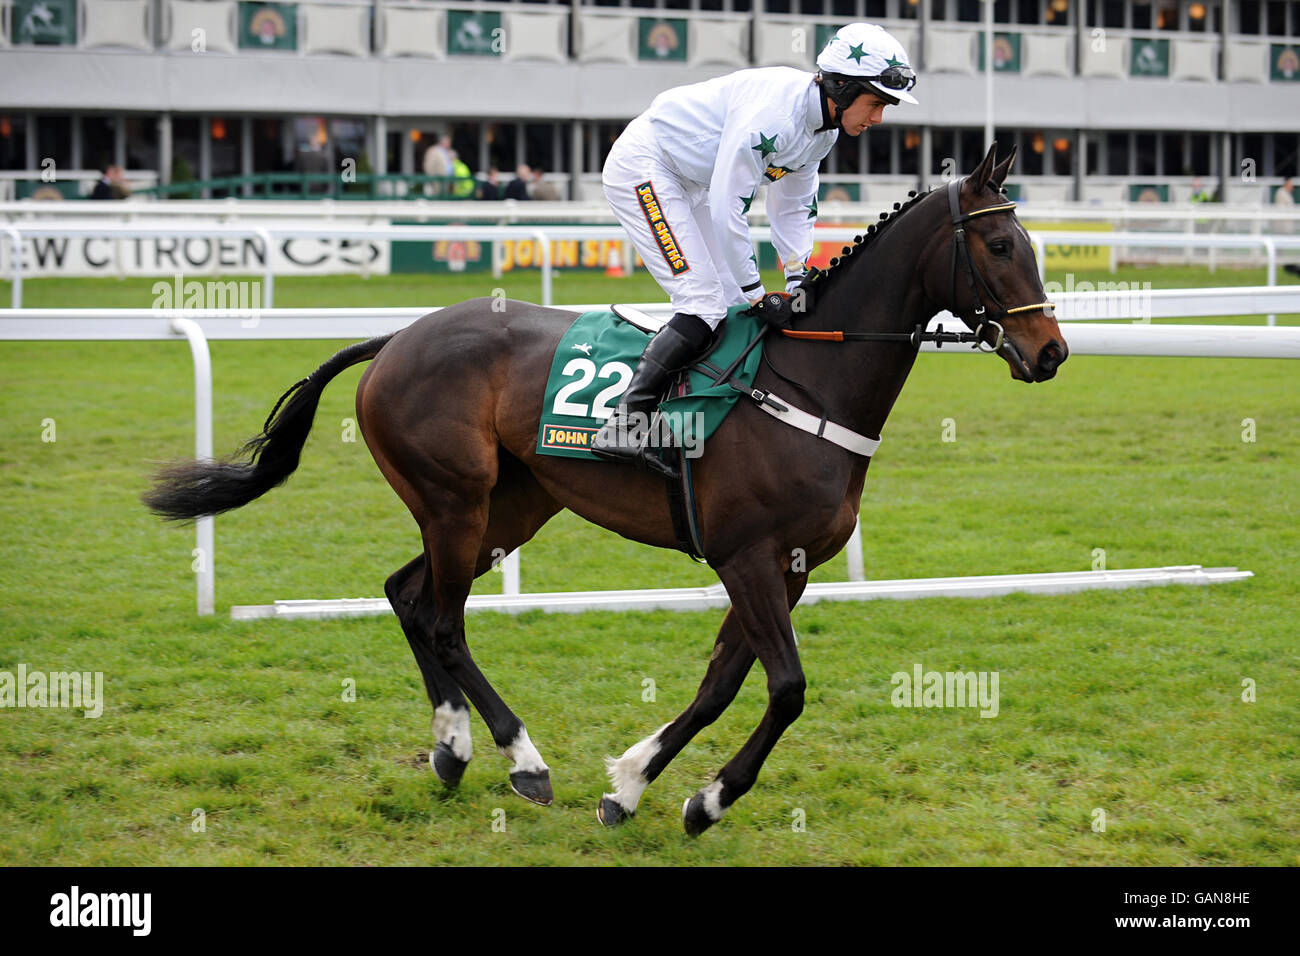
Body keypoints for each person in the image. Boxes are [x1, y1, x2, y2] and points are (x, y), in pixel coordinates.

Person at [591, 22, 918, 470]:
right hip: (647, 169)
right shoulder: (774, 116)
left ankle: (689, 418)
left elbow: (794, 205)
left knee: (727, 307)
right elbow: (731, 207)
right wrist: (758, 293)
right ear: (842, 88)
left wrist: (798, 274)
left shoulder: (823, 131)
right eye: (876, 102)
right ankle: (625, 423)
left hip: (692, 184)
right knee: (704, 302)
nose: (878, 117)